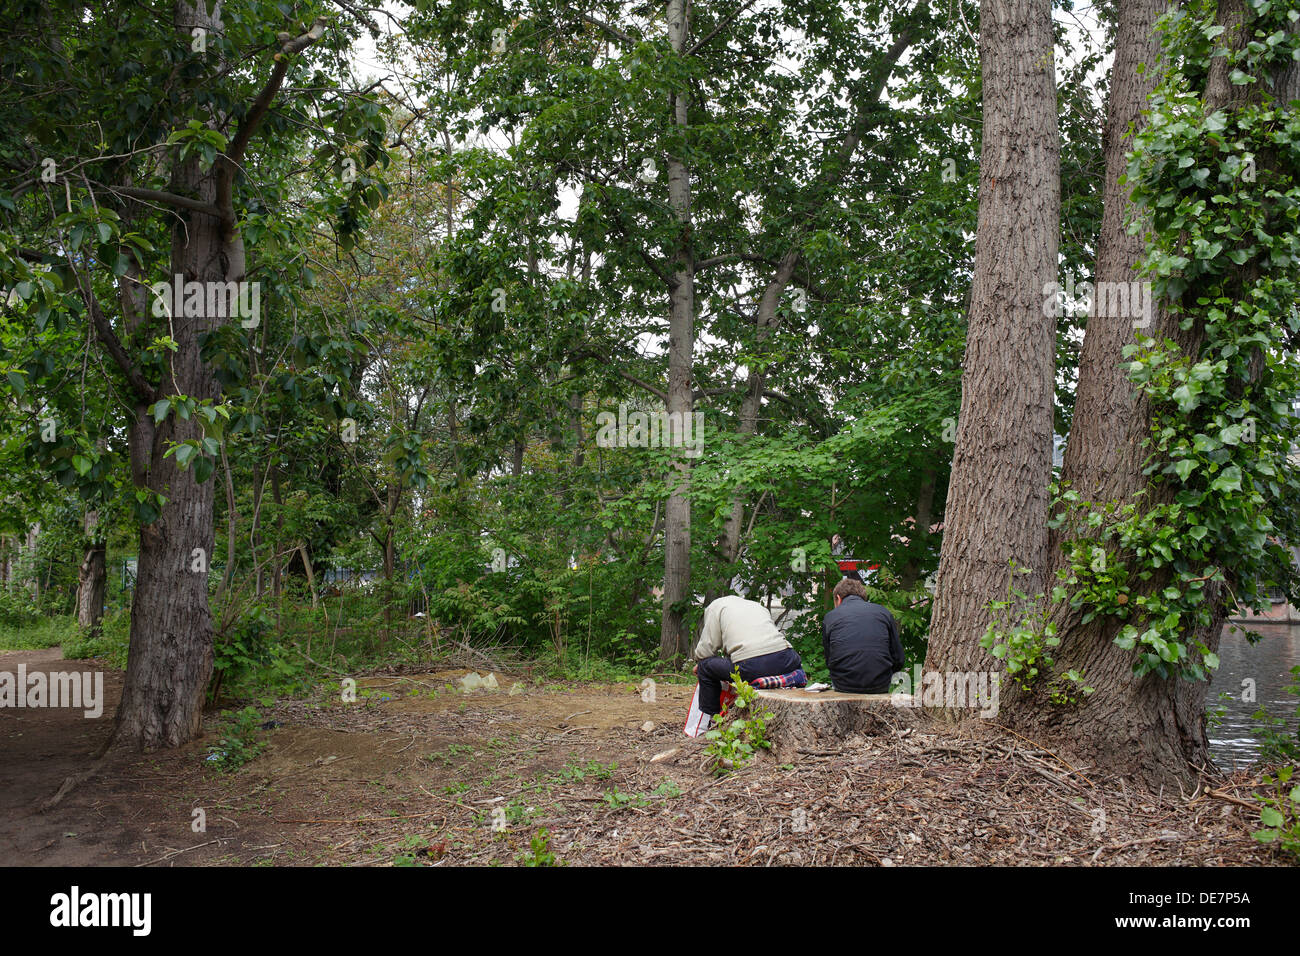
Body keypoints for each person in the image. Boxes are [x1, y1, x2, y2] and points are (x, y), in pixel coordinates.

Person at [692, 594, 802, 717]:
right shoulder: (756, 606)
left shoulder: (715, 608)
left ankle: (711, 717)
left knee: (705, 666)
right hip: (788, 659)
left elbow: (707, 646)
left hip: (752, 665)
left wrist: (699, 662)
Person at [822, 577, 904, 694]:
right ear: (863, 597)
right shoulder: (883, 613)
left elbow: (829, 659)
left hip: (844, 685)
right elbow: (899, 658)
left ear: (838, 599)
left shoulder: (830, 617)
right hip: (879, 684)